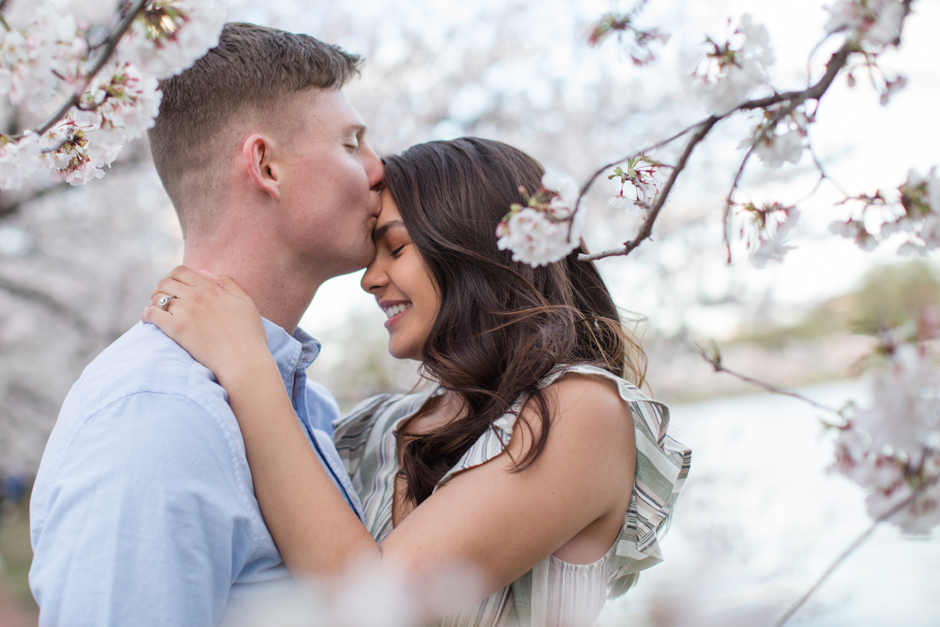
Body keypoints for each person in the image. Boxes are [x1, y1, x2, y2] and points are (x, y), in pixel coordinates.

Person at [145, 138, 692, 626]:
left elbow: (372, 604)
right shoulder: (376, 427)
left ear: (473, 247)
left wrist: (247, 364)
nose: (368, 278)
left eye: (397, 247)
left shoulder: (579, 410)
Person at [29, 23, 383, 626]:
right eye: (352, 144)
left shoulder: (312, 410)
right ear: (266, 165)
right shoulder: (160, 415)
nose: (379, 170)